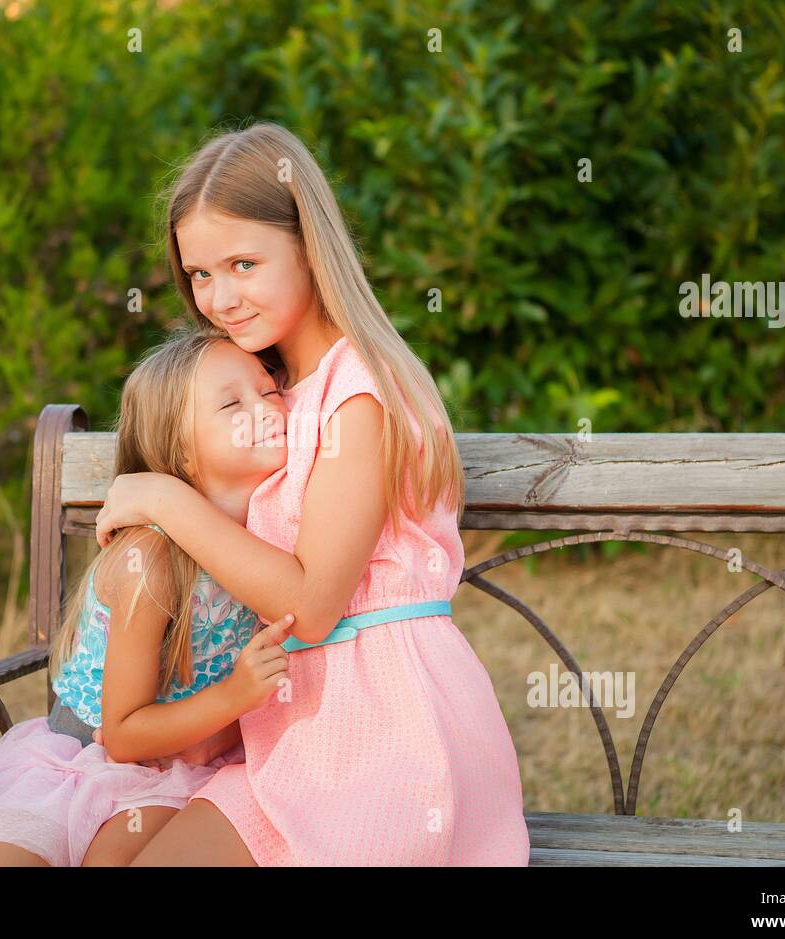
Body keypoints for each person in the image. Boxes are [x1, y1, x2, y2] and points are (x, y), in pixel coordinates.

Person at [95, 121, 531, 866]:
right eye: (200, 274)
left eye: (242, 263)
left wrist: (165, 501)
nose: (220, 297)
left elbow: (314, 604)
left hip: (388, 727)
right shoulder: (272, 396)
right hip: (289, 730)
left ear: (308, 244)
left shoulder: (358, 394)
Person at [0, 326, 295, 866]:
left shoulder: (276, 538)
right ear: (180, 449)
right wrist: (234, 697)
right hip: (88, 756)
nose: (264, 407)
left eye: (269, 391)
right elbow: (123, 737)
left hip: (182, 771)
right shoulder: (151, 562)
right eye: (231, 403)